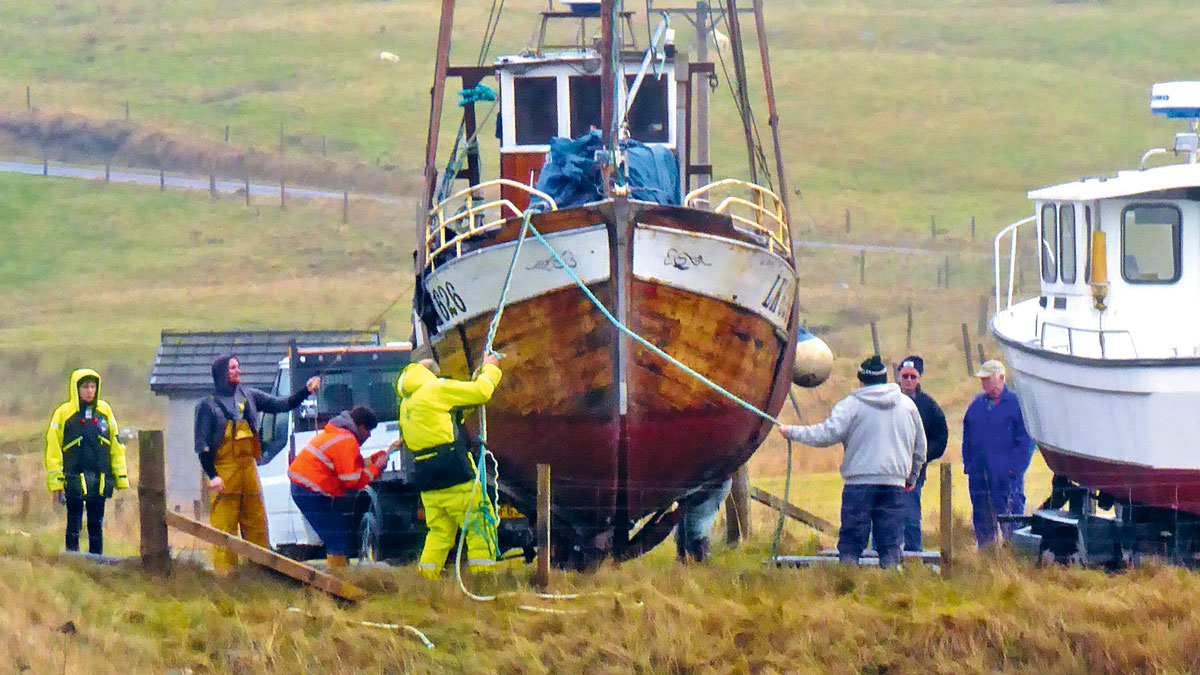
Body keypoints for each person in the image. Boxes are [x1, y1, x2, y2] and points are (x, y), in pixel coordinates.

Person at [779, 355, 926, 569]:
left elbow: (826, 434)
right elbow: (920, 447)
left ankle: (848, 579)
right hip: (894, 483)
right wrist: (912, 476)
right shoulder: (908, 406)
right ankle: (892, 581)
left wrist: (791, 432)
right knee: (891, 543)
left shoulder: (850, 405)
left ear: (861, 380)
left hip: (859, 485)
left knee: (851, 542)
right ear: (885, 378)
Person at [194, 354, 321, 575]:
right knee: (224, 531)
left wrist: (306, 391)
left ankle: (260, 576)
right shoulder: (207, 406)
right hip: (224, 476)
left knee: (257, 526)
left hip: (249, 472)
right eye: (233, 368)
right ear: (222, 372)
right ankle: (225, 579)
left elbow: (283, 404)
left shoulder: (250, 396)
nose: (238, 371)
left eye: (238, 366)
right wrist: (212, 475)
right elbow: (201, 446)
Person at [397, 345, 502, 580]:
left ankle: (426, 580)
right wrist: (491, 369)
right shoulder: (436, 388)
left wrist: (472, 382)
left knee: (439, 531)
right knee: (479, 520)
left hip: (425, 474)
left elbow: (449, 412)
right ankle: (482, 579)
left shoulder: (407, 401)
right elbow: (482, 393)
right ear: (434, 373)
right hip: (453, 469)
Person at [288, 406, 387, 569]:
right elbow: (352, 480)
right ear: (362, 427)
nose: (369, 435)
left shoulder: (340, 434)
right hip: (309, 491)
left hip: (305, 488)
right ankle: (337, 577)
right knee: (337, 537)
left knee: (338, 532)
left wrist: (372, 460)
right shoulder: (347, 441)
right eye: (369, 430)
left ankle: (338, 573)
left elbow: (349, 465)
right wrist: (376, 469)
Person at [45, 369, 129, 555]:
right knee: (73, 523)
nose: (89, 391)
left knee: (96, 524)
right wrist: (57, 482)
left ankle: (97, 562)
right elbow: (53, 449)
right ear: (76, 389)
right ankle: (72, 559)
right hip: (73, 478)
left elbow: (116, 445)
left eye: (92, 387)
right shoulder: (64, 413)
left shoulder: (105, 412)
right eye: (85, 387)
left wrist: (120, 476)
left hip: (100, 480)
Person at [962, 359, 1034, 548]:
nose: (983, 383)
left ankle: (1013, 559)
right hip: (979, 476)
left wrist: (1013, 470)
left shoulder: (1016, 404)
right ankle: (987, 560)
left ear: (1001, 378)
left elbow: (1026, 441)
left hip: (1006, 478)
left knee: (1011, 522)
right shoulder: (976, 405)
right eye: (982, 379)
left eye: (988, 379)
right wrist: (969, 464)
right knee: (983, 522)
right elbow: (967, 437)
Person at [895, 356, 948, 551]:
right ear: (898, 377)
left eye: (913, 376)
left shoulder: (928, 406)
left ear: (919, 378)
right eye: (905, 376)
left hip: (913, 474)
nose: (908, 380)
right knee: (883, 519)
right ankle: (879, 559)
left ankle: (914, 559)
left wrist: (922, 456)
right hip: (888, 472)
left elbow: (941, 437)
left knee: (911, 519)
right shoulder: (887, 401)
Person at [674, 477, 733, 563]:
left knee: (694, 524)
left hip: (711, 485)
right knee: (689, 522)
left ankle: (696, 556)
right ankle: (688, 557)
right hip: (702, 484)